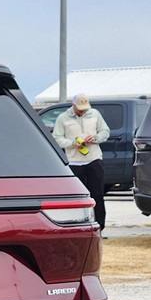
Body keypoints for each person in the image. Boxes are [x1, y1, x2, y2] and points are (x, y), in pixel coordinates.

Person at [52, 93, 110, 235]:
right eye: (80, 108)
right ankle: (78, 227)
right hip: (74, 162)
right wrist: (72, 143)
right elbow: (57, 138)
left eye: (85, 108)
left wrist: (95, 138)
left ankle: (99, 228)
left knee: (97, 194)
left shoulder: (95, 114)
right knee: (77, 197)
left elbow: (105, 131)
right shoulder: (63, 118)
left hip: (94, 159)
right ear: (73, 105)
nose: (83, 111)